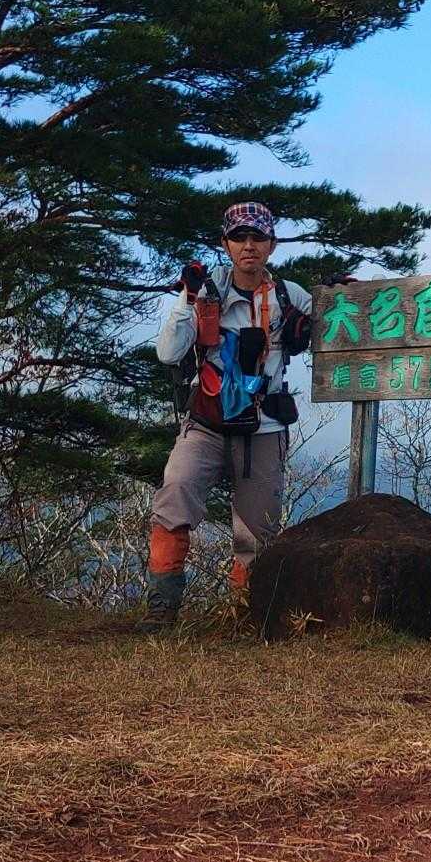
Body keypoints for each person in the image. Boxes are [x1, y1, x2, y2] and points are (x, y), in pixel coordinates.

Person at [141, 202, 314, 631]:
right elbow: (168, 353)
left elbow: (335, 325)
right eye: (239, 237)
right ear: (225, 244)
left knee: (257, 529)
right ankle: (161, 610)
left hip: (264, 426)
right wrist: (187, 298)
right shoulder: (205, 291)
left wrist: (341, 299)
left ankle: (243, 616)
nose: (248, 245)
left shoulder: (291, 296)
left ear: (272, 245)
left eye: (257, 237)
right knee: (175, 495)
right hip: (206, 420)